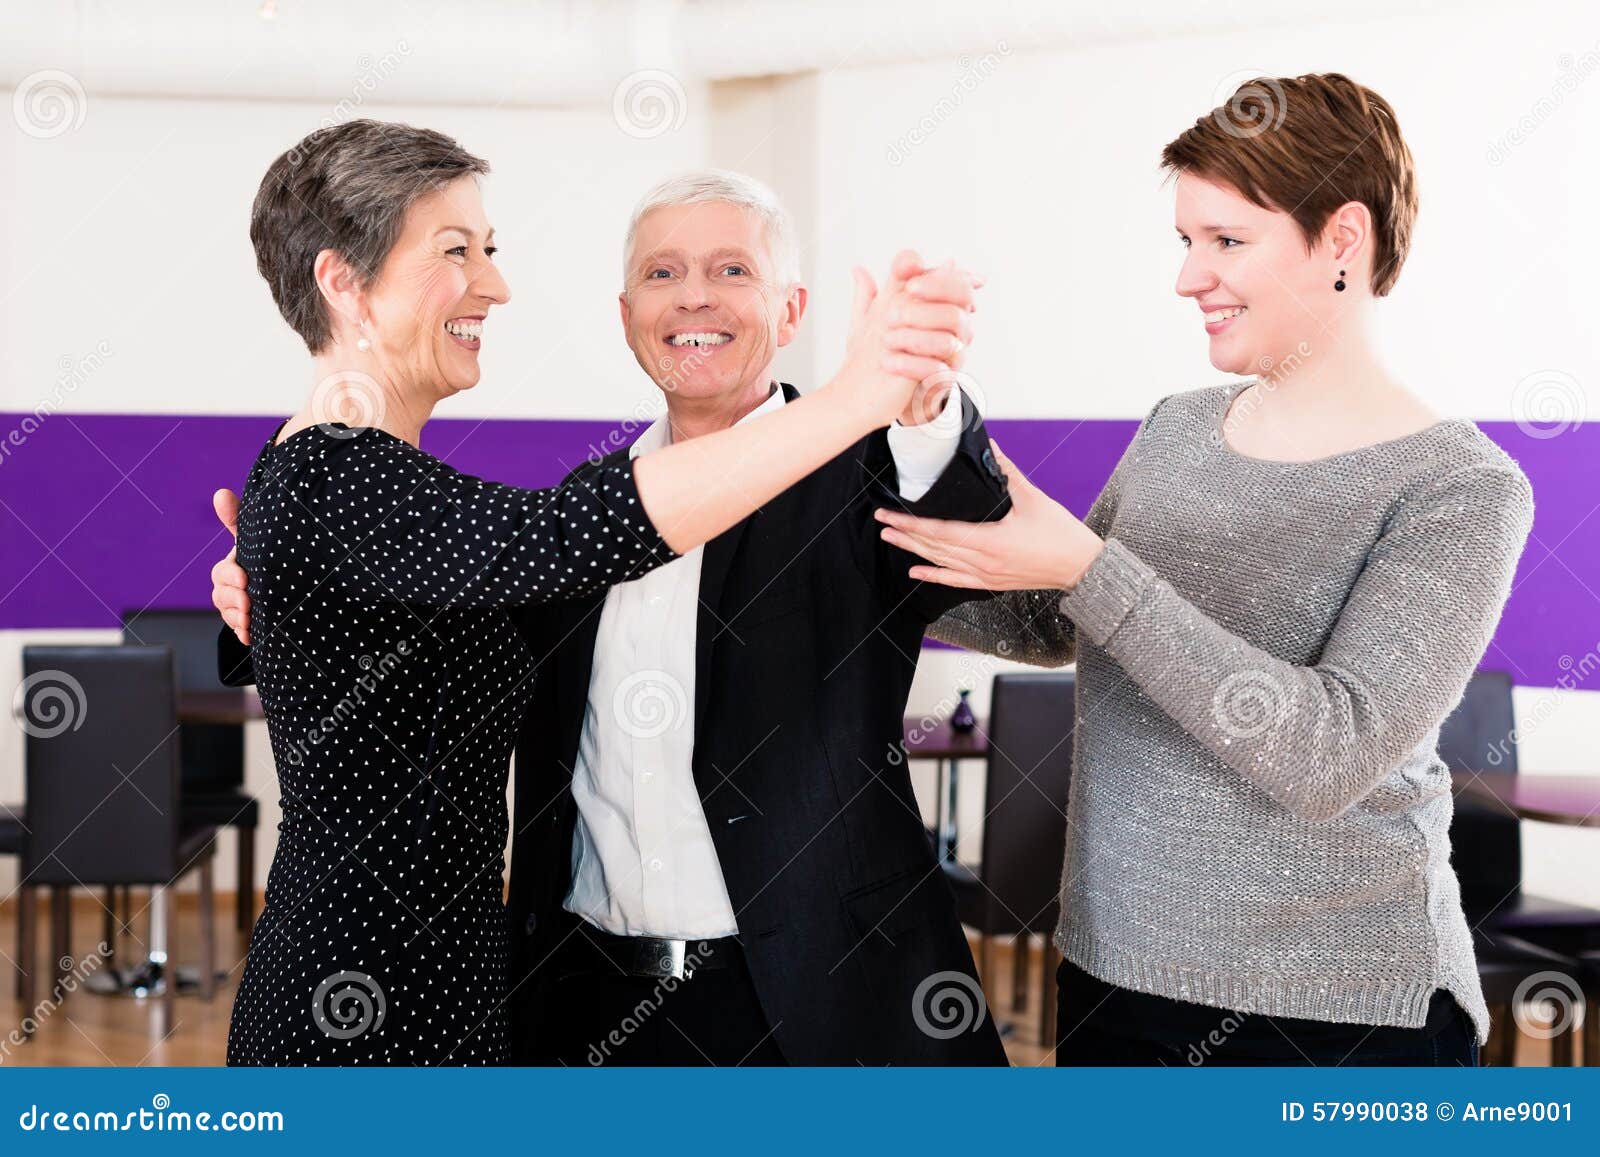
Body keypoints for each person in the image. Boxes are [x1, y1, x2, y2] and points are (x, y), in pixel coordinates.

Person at [214, 120, 976, 1066]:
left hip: (479, 987)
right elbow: (570, 538)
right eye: (457, 251)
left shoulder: (367, 487)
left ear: (789, 308)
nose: (494, 282)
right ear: (343, 282)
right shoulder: (344, 473)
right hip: (368, 997)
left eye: (489, 250)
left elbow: (418, 612)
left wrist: (264, 610)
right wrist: (857, 390)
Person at [874, 73, 1532, 1066]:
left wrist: (1088, 564)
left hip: (1340, 1013)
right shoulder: (1178, 427)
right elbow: (1053, 618)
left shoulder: (1459, 486)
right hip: (1111, 972)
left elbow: (1327, 752)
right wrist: (922, 443)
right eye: (1186, 242)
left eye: (1226, 241)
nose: (1189, 277)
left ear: (1342, 239)